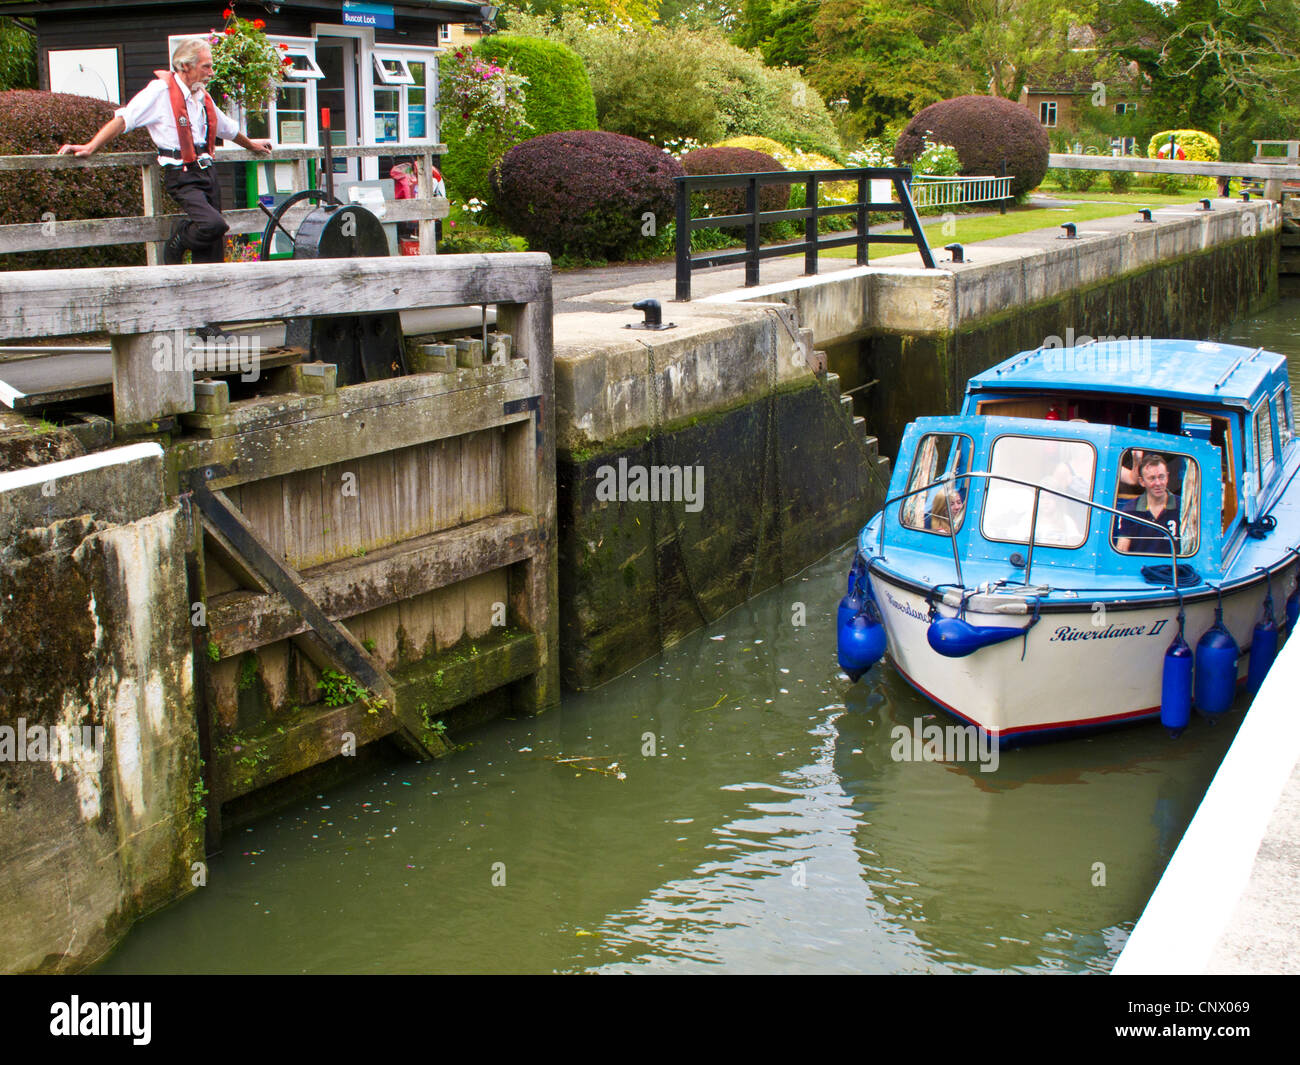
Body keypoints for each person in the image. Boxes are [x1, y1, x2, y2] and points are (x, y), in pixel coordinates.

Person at [58, 39, 272, 288]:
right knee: (212, 224)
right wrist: (91, 145)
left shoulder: (201, 95)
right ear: (185, 67)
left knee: (213, 248)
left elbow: (227, 129)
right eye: (206, 66)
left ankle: (207, 323)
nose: (211, 72)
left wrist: (253, 145)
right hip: (180, 173)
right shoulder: (159, 91)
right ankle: (179, 239)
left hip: (207, 171)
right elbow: (124, 118)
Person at [1115, 453, 1180, 554]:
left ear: (1167, 477)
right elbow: (1122, 549)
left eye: (1161, 477)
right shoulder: (1130, 508)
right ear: (1142, 481)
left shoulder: (1182, 506)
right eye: (1152, 478)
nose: (1158, 483)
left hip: (1174, 567)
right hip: (1140, 567)